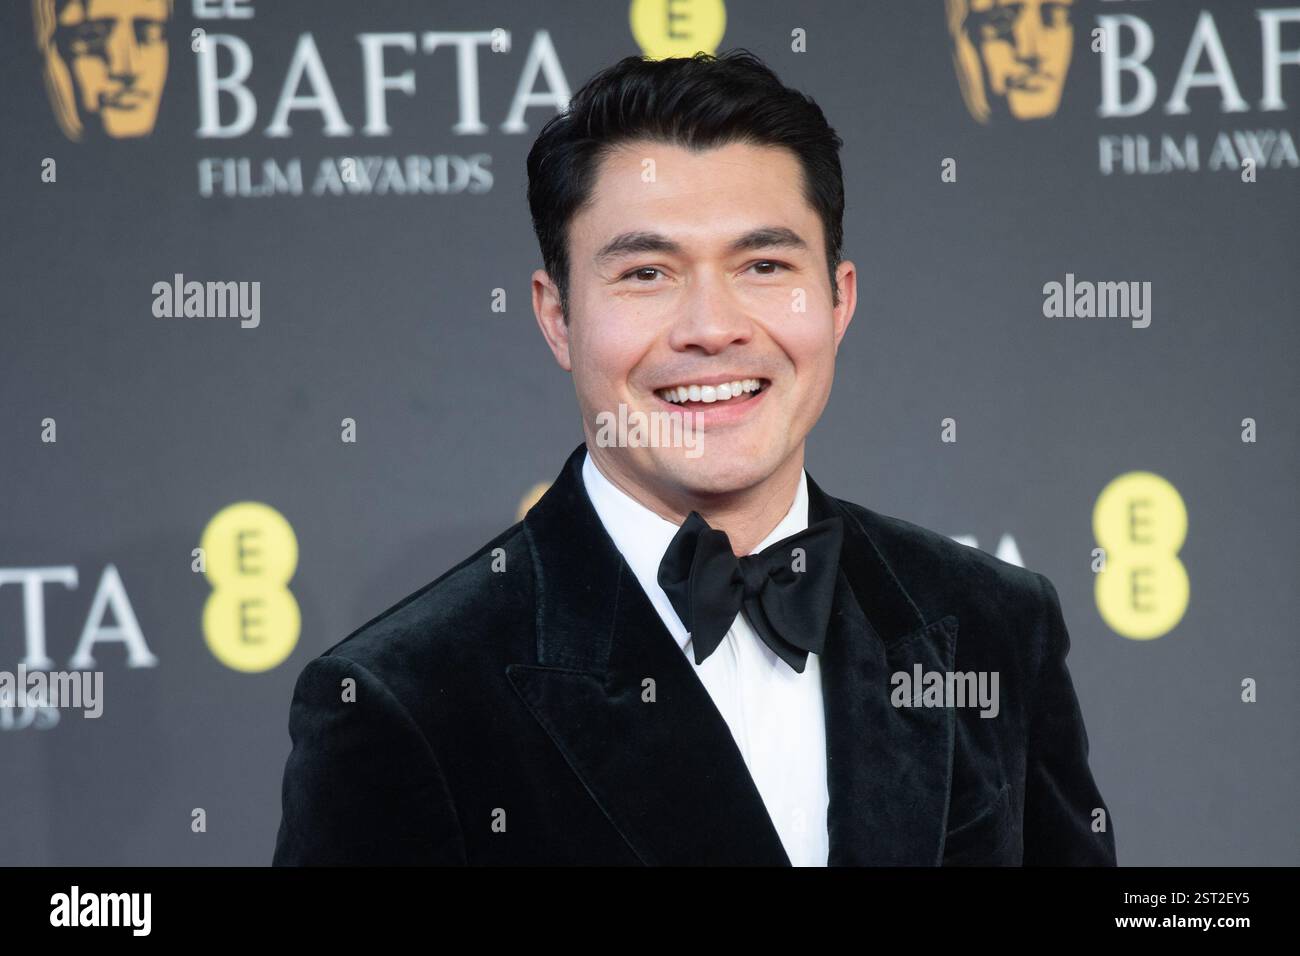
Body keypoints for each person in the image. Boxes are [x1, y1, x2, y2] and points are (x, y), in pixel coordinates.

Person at [273, 50, 1116, 866]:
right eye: (646, 273)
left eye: (763, 264)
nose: (713, 327)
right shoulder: (405, 701)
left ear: (837, 300)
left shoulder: (996, 627)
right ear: (558, 317)